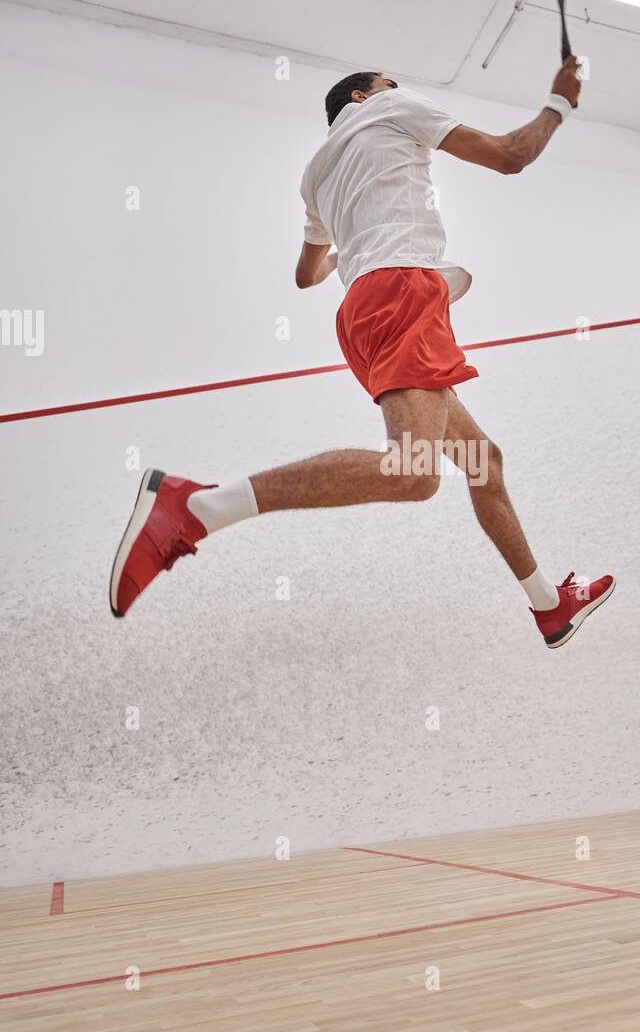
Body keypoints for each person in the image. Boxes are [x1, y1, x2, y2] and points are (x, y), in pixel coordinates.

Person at [110, 57, 614, 648]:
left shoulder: (316, 173)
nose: (399, 89)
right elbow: (510, 156)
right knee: (415, 475)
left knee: (483, 463)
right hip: (403, 293)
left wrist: (351, 249)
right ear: (361, 94)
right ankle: (198, 506)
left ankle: (550, 605)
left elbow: (305, 274)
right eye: (389, 82)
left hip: (363, 313)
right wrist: (559, 104)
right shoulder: (389, 108)